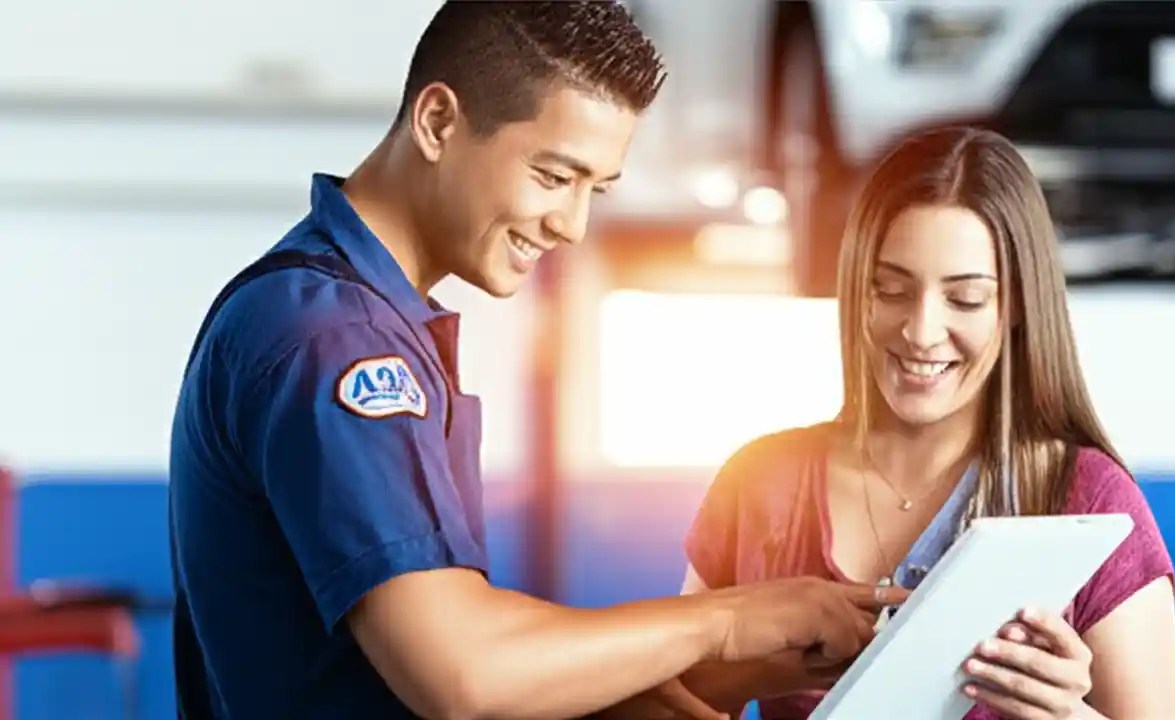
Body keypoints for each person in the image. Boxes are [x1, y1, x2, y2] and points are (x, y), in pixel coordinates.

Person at [167, 2, 906, 719]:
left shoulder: (359, 318)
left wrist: (696, 674)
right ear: (438, 122)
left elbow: (443, 652)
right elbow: (463, 675)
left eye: (595, 189)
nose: (572, 224)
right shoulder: (336, 339)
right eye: (554, 176)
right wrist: (727, 620)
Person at [672, 127, 1175, 719]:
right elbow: (676, 704)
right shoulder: (760, 483)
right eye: (890, 289)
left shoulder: (1088, 498)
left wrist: (1070, 716)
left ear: (1016, 305)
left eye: (965, 299)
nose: (920, 331)